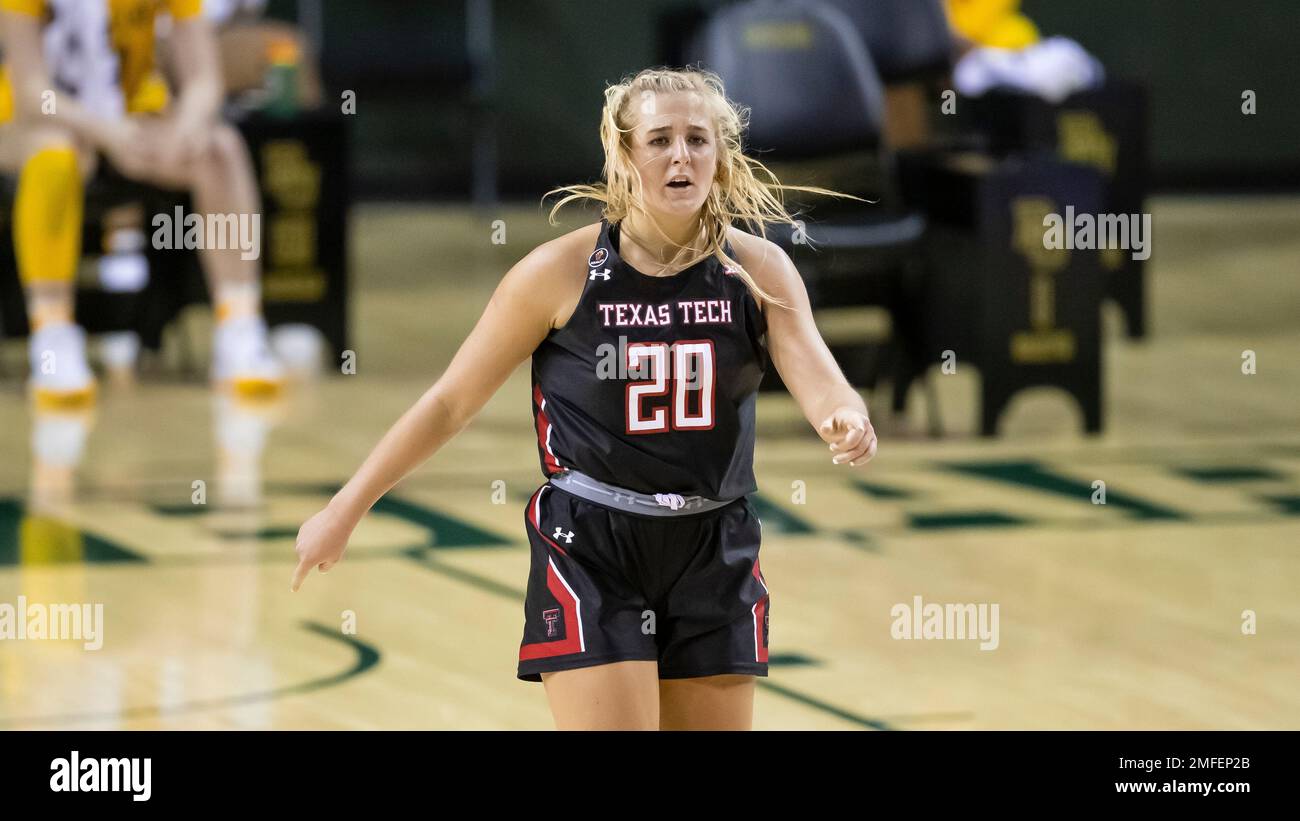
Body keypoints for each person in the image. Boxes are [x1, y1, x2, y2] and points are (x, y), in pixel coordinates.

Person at [290, 68, 878, 730]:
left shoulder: (759, 271)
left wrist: (845, 416)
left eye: (697, 139)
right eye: (659, 140)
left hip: (715, 540)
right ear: (624, 155)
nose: (680, 155)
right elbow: (449, 403)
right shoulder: (558, 274)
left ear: (721, 155)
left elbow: (817, 373)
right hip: (592, 543)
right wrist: (344, 508)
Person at [0, 0, 283, 407]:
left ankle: (239, 327)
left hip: (132, 117)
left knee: (220, 150)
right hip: (42, 122)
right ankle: (52, 334)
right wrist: (107, 132)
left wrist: (187, 125)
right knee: (56, 156)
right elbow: (33, 92)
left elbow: (204, 80)